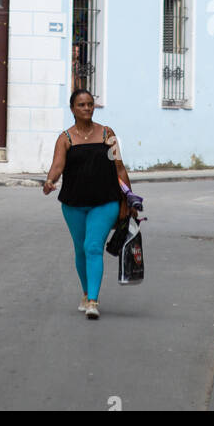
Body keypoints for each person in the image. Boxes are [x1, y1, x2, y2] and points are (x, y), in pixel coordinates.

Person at [43, 88, 134, 320]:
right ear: (73, 109)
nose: (86, 108)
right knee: (80, 249)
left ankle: (93, 300)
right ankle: (85, 292)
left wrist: (129, 198)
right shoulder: (66, 138)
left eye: (90, 104)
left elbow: (119, 168)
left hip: (105, 201)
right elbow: (57, 166)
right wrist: (50, 181)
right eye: (81, 105)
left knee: (93, 247)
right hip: (73, 204)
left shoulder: (107, 134)